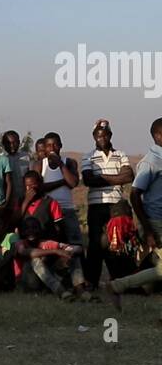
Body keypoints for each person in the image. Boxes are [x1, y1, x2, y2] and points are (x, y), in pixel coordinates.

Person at [107, 117, 162, 306]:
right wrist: (147, 229)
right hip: (155, 221)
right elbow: (135, 194)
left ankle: (119, 285)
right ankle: (119, 285)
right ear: (158, 135)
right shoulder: (151, 162)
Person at [80, 119, 132, 289]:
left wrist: (101, 178)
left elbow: (128, 177)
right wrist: (115, 179)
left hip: (116, 206)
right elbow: (88, 180)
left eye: (104, 135)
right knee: (95, 243)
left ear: (110, 135)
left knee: (118, 243)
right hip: (96, 206)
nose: (101, 138)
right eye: (98, 136)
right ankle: (92, 282)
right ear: (94, 137)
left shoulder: (121, 154)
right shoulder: (88, 156)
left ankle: (120, 280)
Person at [39, 132, 82, 245]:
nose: (52, 148)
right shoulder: (39, 164)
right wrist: (63, 181)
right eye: (49, 145)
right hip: (48, 211)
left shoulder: (69, 162)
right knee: (51, 244)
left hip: (67, 209)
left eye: (55, 145)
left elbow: (72, 183)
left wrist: (61, 164)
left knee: (75, 244)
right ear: (44, 147)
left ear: (61, 145)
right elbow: (40, 188)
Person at [1, 130, 29, 210]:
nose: (12, 145)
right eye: (8, 143)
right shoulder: (0, 160)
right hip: (7, 202)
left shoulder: (27, 158)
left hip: (24, 200)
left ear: (19, 142)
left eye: (14, 142)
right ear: (4, 144)